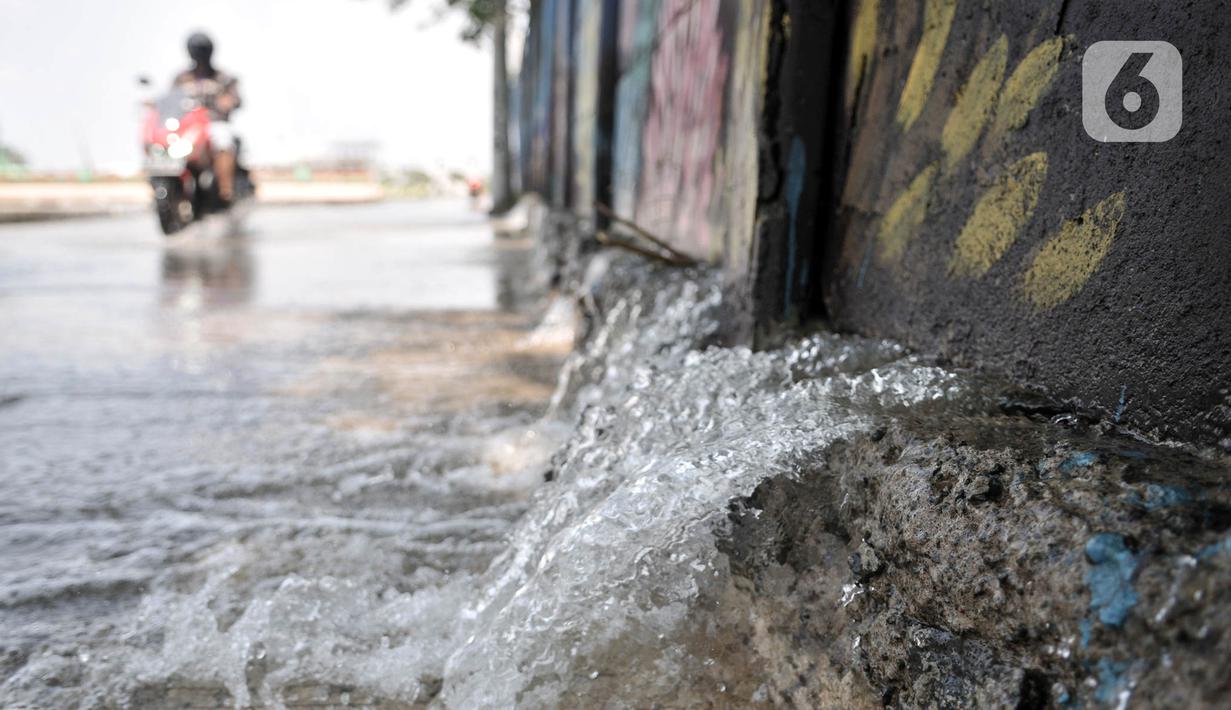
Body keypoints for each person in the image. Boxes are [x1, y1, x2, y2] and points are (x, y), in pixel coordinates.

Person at [173, 32, 241, 203]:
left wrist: (228, 101)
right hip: (189, 127)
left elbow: (236, 98)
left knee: (223, 141)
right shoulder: (181, 78)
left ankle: (226, 190)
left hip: (214, 123)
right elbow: (169, 99)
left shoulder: (222, 77)